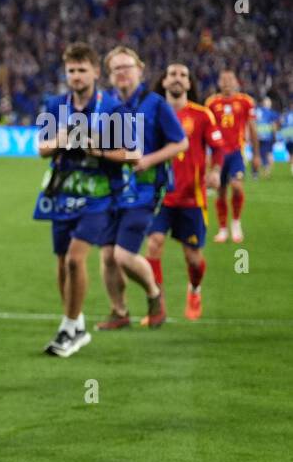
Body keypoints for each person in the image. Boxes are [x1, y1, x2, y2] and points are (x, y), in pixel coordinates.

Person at [92, 46, 186, 330]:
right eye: (116, 68)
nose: (122, 72)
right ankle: (119, 312)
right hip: (113, 190)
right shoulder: (104, 104)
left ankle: (154, 295)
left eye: (127, 66)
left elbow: (180, 142)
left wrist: (148, 160)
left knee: (123, 255)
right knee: (107, 256)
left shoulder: (155, 103)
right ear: (109, 75)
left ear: (140, 69)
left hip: (145, 190)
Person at [33, 42, 112, 357]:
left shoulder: (112, 106)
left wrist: (96, 146)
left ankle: (67, 328)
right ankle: (76, 323)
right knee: (63, 263)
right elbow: (41, 148)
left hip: (97, 192)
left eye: (82, 69)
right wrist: (60, 141)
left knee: (76, 259)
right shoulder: (55, 105)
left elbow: (131, 152)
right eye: (71, 70)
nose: (77, 76)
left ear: (95, 71)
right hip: (62, 190)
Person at [145, 63, 223, 321]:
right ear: (164, 82)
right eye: (172, 75)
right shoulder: (153, 113)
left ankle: (195, 289)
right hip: (160, 197)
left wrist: (215, 171)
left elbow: (219, 148)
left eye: (183, 75)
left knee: (193, 258)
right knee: (153, 245)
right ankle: (158, 307)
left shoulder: (202, 115)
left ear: (189, 84)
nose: (177, 79)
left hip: (192, 197)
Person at [204, 71, 256, 242]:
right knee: (220, 191)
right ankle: (223, 229)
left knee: (236, 186)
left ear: (236, 82)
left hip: (236, 153)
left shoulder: (245, 101)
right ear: (219, 82)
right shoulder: (212, 103)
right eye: (223, 80)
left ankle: (236, 223)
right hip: (218, 154)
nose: (227, 83)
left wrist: (256, 154)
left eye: (230, 79)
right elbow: (206, 130)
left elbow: (252, 128)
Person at [253, 94, 278, 179]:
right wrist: (275, 136)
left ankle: (255, 173)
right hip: (267, 137)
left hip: (257, 137)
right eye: (269, 102)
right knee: (269, 155)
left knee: (256, 154)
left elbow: (252, 123)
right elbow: (274, 125)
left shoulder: (256, 111)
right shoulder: (271, 112)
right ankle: (266, 171)